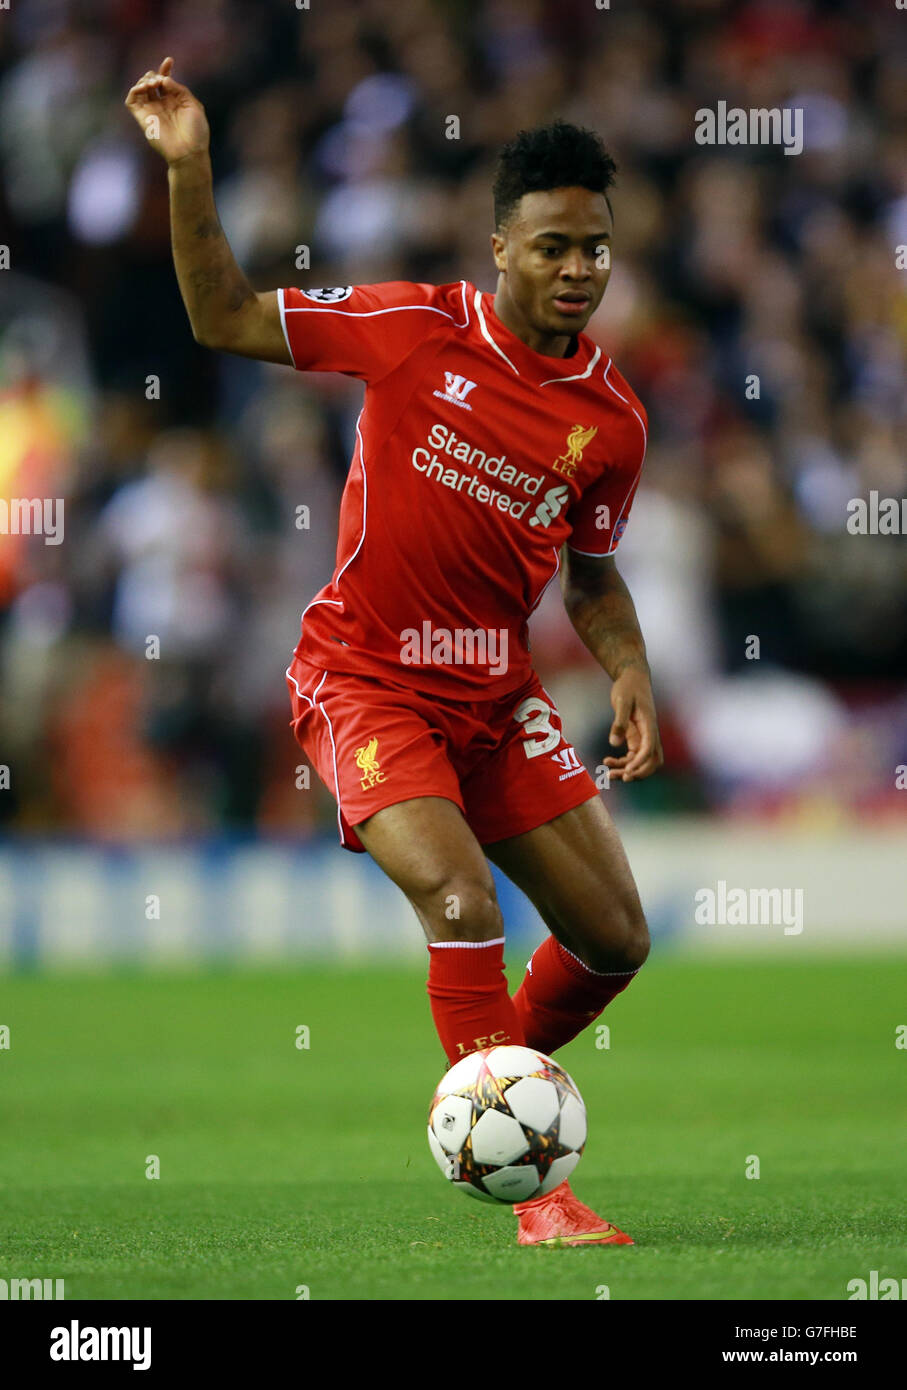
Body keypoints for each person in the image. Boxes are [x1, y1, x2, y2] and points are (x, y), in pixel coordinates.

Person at [126, 57, 663, 1247]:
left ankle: (482, 1092)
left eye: (595, 249)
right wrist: (191, 165)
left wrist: (626, 665)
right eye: (553, 248)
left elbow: (592, 571)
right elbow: (218, 317)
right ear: (501, 252)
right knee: (462, 900)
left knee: (617, 938)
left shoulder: (612, 422)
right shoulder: (412, 328)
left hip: (498, 693)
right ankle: (535, 1183)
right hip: (365, 678)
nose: (578, 270)